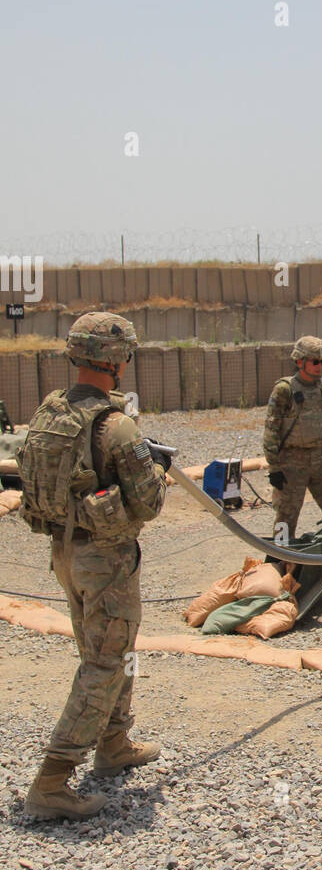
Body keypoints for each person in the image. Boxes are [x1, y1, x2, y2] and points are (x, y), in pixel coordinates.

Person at [19, 312, 167, 821]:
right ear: (118, 360)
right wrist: (159, 471)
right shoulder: (117, 424)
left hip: (66, 553)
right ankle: (52, 782)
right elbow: (148, 504)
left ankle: (115, 744)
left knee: (110, 649)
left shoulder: (50, 412)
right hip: (106, 560)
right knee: (104, 662)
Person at [263, 336, 322, 541]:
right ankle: (281, 558)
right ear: (300, 361)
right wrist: (274, 468)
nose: (319, 366)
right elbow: (271, 431)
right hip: (292, 463)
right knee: (286, 515)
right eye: (315, 361)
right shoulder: (285, 390)